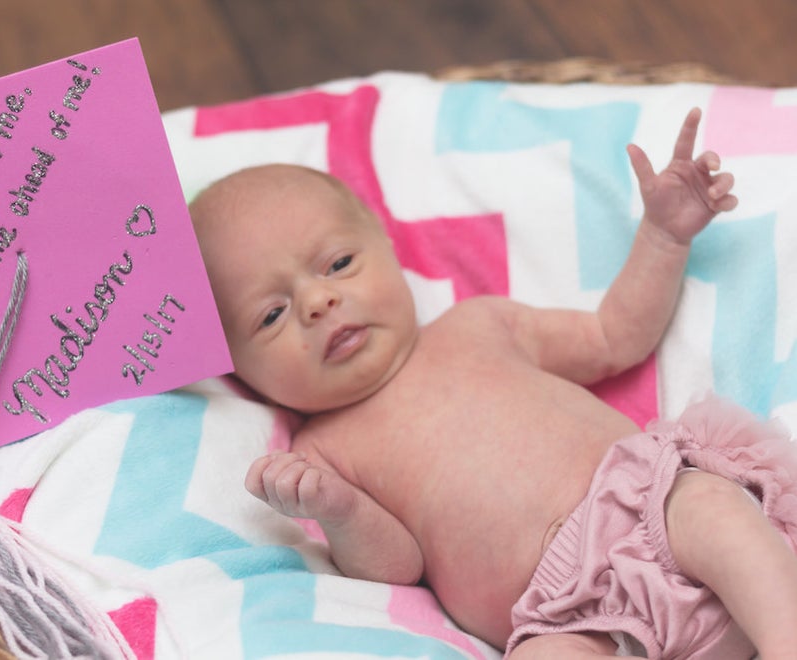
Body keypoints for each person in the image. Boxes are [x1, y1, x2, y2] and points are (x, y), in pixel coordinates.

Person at [189, 108, 797, 659]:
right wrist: (338, 510)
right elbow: (398, 568)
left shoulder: (477, 325)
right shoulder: (321, 454)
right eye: (271, 315)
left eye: (339, 265)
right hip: (558, 617)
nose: (318, 301)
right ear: (240, 369)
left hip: (644, 508)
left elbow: (615, 336)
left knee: (715, 508)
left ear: (386, 246)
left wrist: (663, 237)